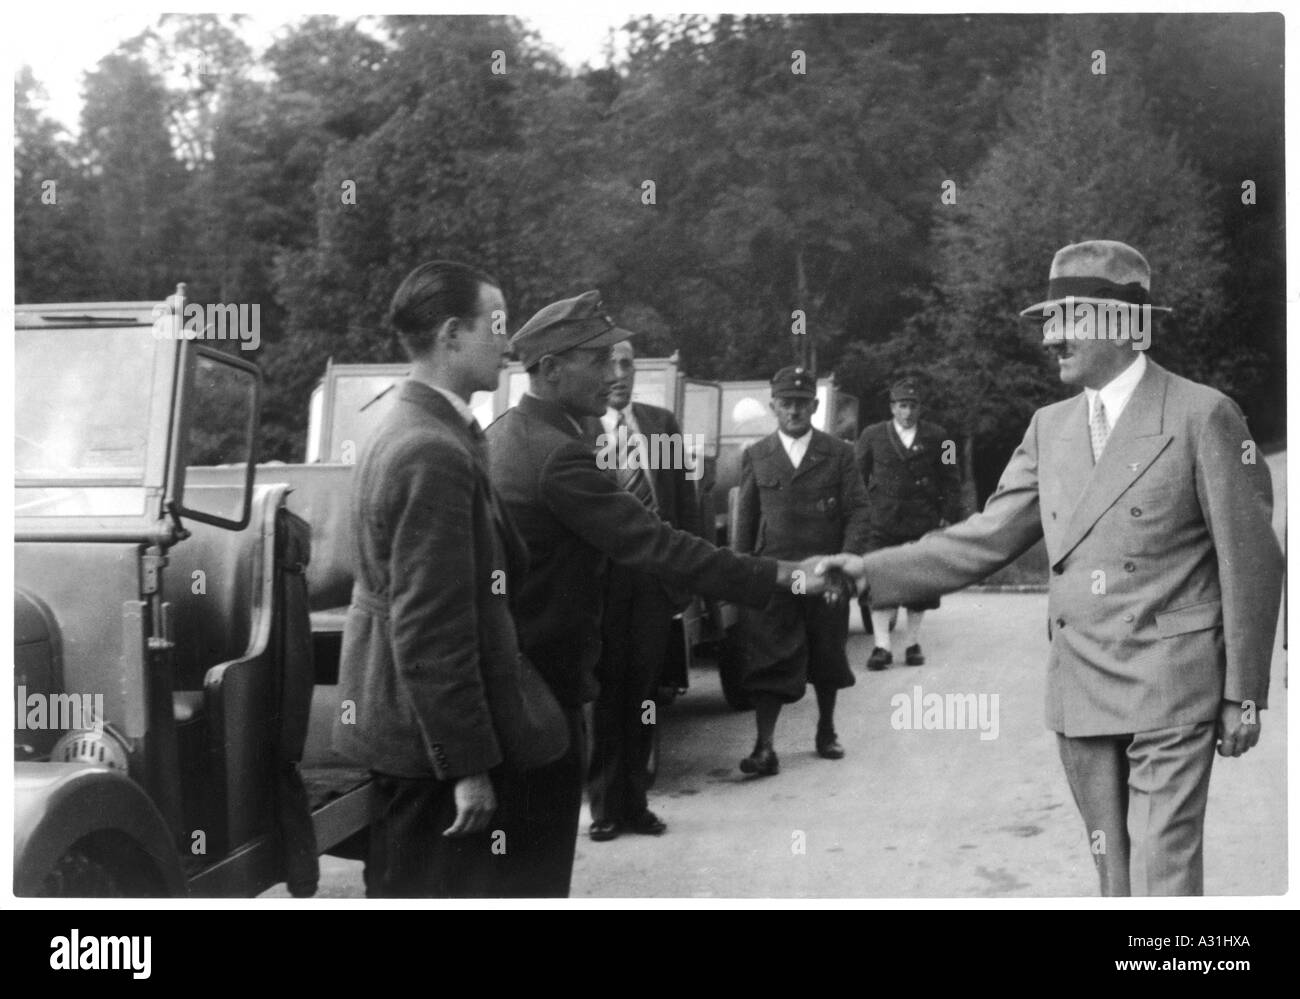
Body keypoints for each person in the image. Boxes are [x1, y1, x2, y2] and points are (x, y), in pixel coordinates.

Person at [820, 240, 1283, 896]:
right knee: (1115, 877)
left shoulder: (1202, 413)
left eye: (1066, 319)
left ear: (1121, 324)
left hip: (1172, 691)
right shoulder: (1049, 427)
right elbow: (985, 537)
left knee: (1163, 873)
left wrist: (1243, 690)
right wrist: (870, 571)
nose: (1050, 338)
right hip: (1082, 691)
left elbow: (1252, 557)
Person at [486, 290, 839, 896]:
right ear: (550, 371)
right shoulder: (556, 456)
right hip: (543, 689)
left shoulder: (509, 433)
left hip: (528, 677)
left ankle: (627, 803)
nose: (614, 375)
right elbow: (655, 540)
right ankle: (608, 806)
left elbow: (673, 523)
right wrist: (785, 575)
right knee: (532, 879)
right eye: (598, 361)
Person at [333, 260, 568, 897]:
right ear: (451, 334)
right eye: (497, 324)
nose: (510, 342)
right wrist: (466, 767)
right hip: (428, 749)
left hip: (410, 733)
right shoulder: (429, 449)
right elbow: (432, 628)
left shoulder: (423, 430)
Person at [583, 340, 699, 842]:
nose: (618, 374)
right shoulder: (578, 431)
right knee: (604, 694)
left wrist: (687, 578)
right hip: (600, 586)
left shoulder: (660, 425)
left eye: (627, 363)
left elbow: (685, 502)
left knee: (646, 692)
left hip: (653, 583)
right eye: (608, 364)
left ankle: (637, 802)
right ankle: (604, 806)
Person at [733, 366, 871, 776]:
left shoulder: (840, 454)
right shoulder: (756, 455)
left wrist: (844, 565)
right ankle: (764, 747)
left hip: (824, 571)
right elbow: (745, 521)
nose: (793, 410)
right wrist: (743, 573)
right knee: (768, 656)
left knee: (827, 651)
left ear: (814, 405)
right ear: (773, 405)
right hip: (777, 573)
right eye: (785, 402)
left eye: (801, 402)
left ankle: (826, 731)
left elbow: (859, 512)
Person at [855, 378, 963, 669]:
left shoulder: (942, 437)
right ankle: (881, 647)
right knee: (878, 583)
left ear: (920, 408)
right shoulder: (872, 435)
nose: (907, 412)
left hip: (922, 523)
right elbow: (857, 480)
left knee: (919, 587)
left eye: (913, 406)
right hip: (881, 523)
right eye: (902, 405)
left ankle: (912, 644)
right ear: (892, 407)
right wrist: (860, 517)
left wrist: (948, 517)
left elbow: (953, 479)